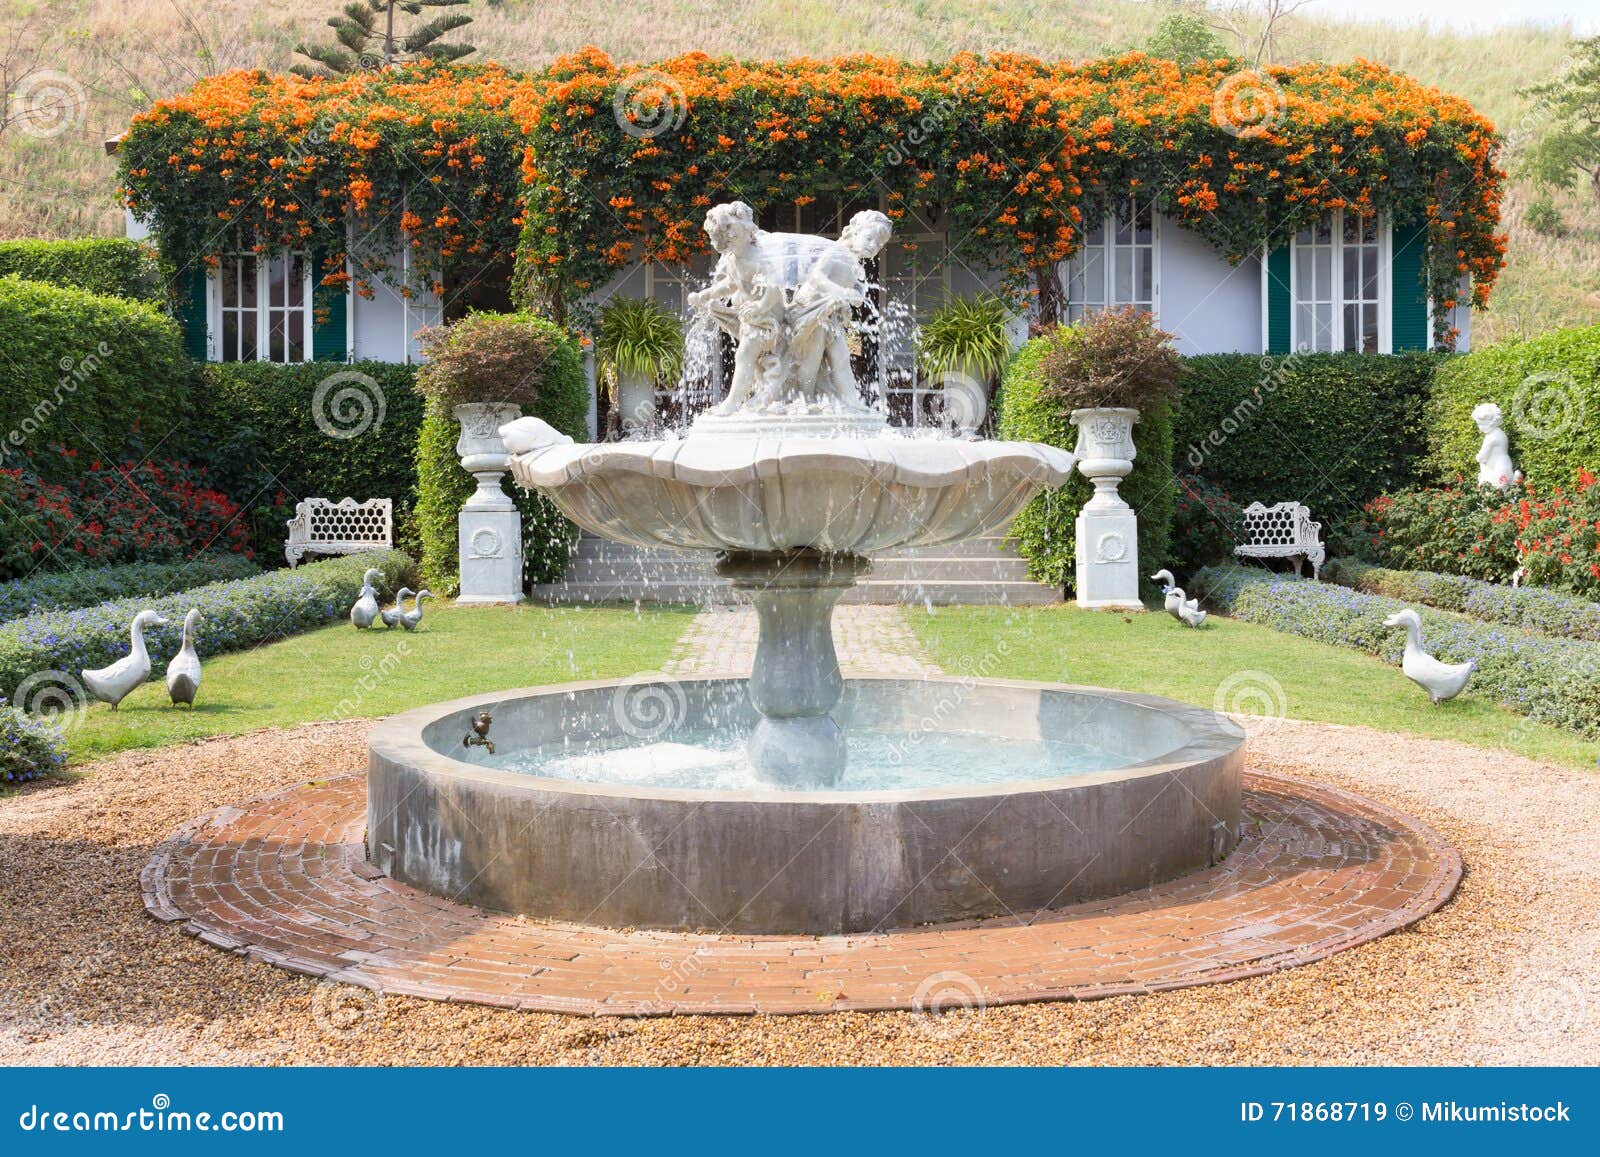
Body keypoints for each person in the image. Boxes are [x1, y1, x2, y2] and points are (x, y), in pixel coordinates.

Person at [687, 201, 786, 415]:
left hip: (769, 318)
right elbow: (731, 284)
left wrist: (760, 306)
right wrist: (706, 294)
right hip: (751, 318)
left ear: (743, 230)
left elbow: (775, 289)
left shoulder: (758, 257)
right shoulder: (734, 259)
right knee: (752, 359)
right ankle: (764, 399)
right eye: (723, 233)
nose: (727, 237)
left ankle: (732, 403)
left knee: (744, 354)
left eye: (729, 230)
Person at [787, 209, 894, 407]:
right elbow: (816, 278)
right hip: (811, 310)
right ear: (854, 231)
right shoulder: (836, 252)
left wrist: (854, 298)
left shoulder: (854, 264)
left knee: (842, 359)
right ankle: (805, 400)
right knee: (812, 358)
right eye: (870, 238)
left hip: (831, 315)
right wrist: (840, 292)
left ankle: (852, 404)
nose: (874, 246)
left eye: (879, 244)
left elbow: (853, 291)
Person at [1472, 401, 1520, 490]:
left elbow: (1482, 457)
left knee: (1496, 491)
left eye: (1481, 424)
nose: (1480, 427)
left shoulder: (1492, 437)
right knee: (1502, 491)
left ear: (1491, 422)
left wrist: (1477, 457)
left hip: (1497, 468)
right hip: (1502, 465)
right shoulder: (1499, 433)